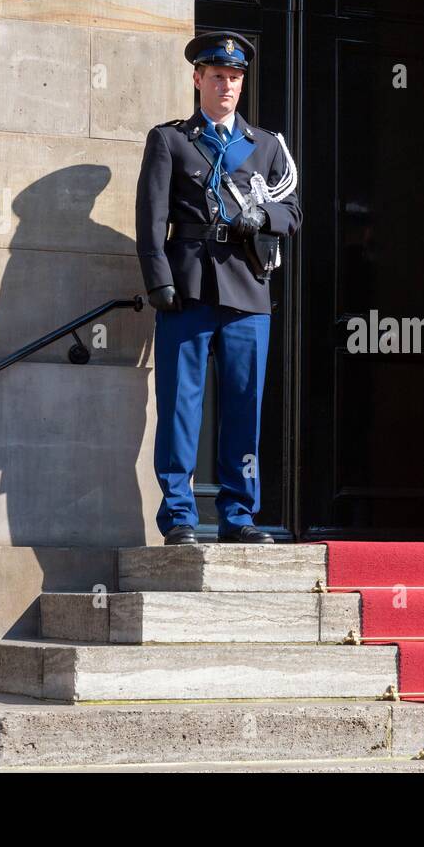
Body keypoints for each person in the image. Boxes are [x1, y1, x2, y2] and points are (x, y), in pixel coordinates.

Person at [135, 30, 300, 545]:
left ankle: (238, 514)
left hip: (248, 290)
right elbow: (150, 217)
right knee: (181, 405)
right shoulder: (170, 140)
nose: (226, 86)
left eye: (234, 78)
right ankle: (180, 516)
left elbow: (292, 212)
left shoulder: (268, 146)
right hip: (187, 289)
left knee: (243, 405)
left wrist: (260, 217)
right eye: (217, 77)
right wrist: (158, 277)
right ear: (197, 80)